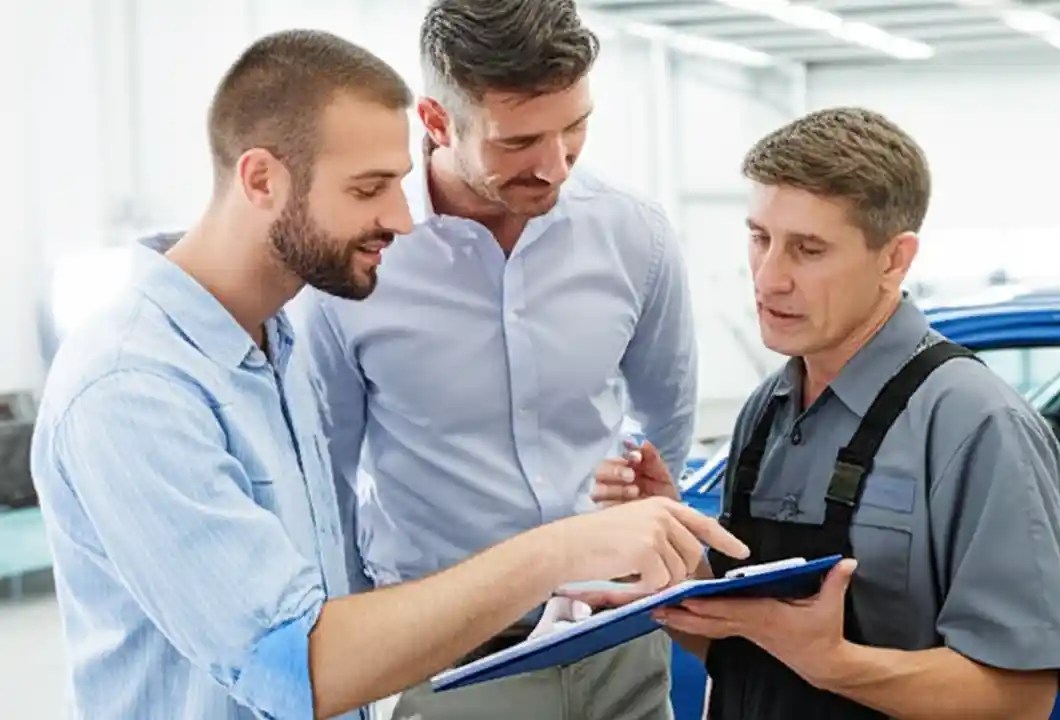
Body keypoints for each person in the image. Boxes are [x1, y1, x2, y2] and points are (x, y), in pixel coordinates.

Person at [29, 29, 746, 720]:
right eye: (370, 189)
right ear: (262, 180)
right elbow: (292, 665)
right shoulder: (132, 388)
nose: (404, 221)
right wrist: (560, 549)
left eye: (400, 184)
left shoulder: (270, 348)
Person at [591, 107, 1060, 719]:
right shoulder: (766, 412)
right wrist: (674, 562)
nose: (769, 279)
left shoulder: (977, 425)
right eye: (760, 238)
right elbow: (737, 646)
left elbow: (1021, 699)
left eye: (808, 249)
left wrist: (836, 664)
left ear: (894, 259)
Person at [297, 1, 697, 717]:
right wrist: (373, 656)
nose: (555, 165)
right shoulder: (354, 265)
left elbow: (667, 416)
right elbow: (323, 480)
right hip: (453, 663)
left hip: (620, 639)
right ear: (436, 120)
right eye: (519, 141)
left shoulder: (634, 236)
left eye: (574, 127)